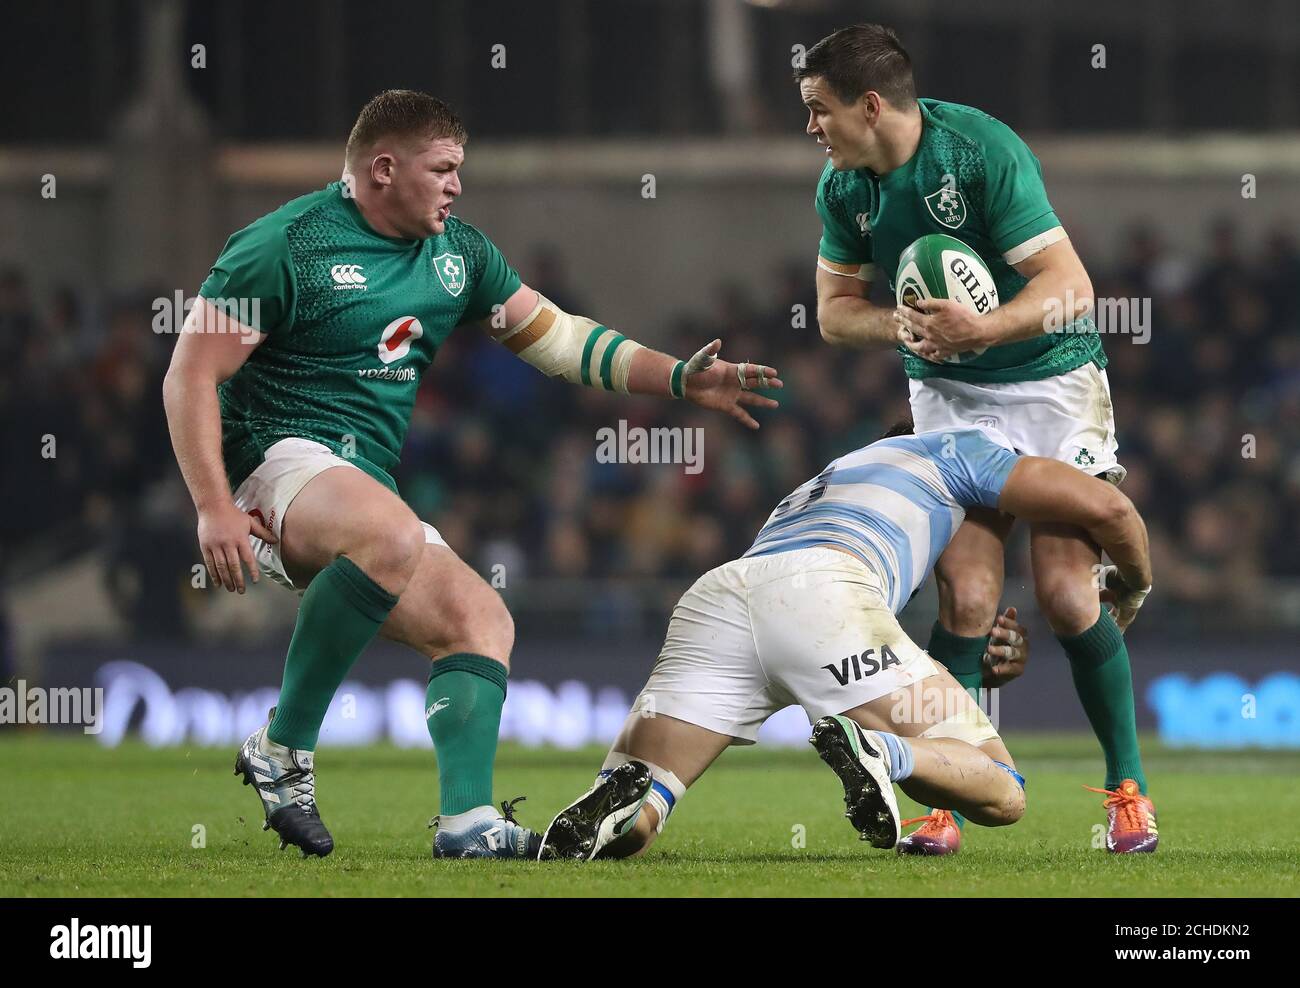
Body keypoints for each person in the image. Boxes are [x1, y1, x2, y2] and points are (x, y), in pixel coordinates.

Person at [162, 89, 782, 859]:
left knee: (481, 622)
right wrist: (212, 507)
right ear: (383, 169)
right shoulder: (283, 245)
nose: (457, 185)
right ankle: (283, 749)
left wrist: (679, 378)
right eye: (443, 168)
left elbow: (563, 342)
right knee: (390, 536)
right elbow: (190, 375)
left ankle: (468, 823)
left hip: (358, 486)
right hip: (270, 462)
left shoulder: (459, 256)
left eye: (460, 169)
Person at [796, 24, 1155, 853]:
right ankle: (945, 802)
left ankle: (1129, 791)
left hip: (1051, 381)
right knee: (964, 597)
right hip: (951, 394)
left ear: (871, 106)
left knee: (1068, 597)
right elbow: (834, 315)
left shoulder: (980, 151)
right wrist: (907, 327)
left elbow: (1072, 286)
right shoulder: (842, 190)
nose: (811, 127)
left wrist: (984, 328)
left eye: (819, 109)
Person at [538, 425, 1156, 861]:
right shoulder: (960, 446)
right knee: (1002, 788)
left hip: (721, 596)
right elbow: (1111, 511)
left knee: (645, 805)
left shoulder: (832, 474)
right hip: (825, 593)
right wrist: (1135, 584)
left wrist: (979, 660)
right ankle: (881, 752)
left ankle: (623, 809)